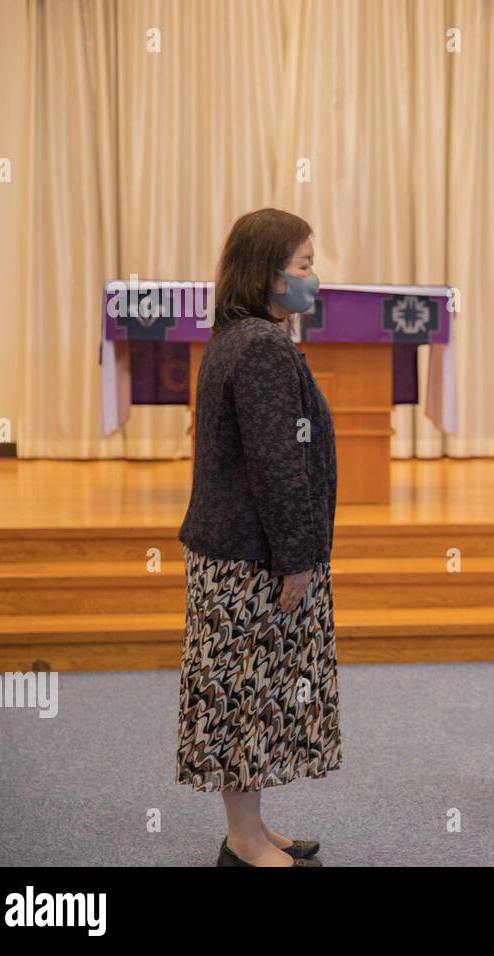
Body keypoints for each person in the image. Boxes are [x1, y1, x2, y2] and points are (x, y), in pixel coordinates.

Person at [175, 208, 339, 868]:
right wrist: (296, 558)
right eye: (302, 264)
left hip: (238, 549)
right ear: (268, 275)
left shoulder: (239, 336)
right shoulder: (263, 347)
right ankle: (244, 842)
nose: (312, 275)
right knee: (247, 692)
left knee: (258, 688)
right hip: (253, 556)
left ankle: (254, 828)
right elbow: (276, 464)